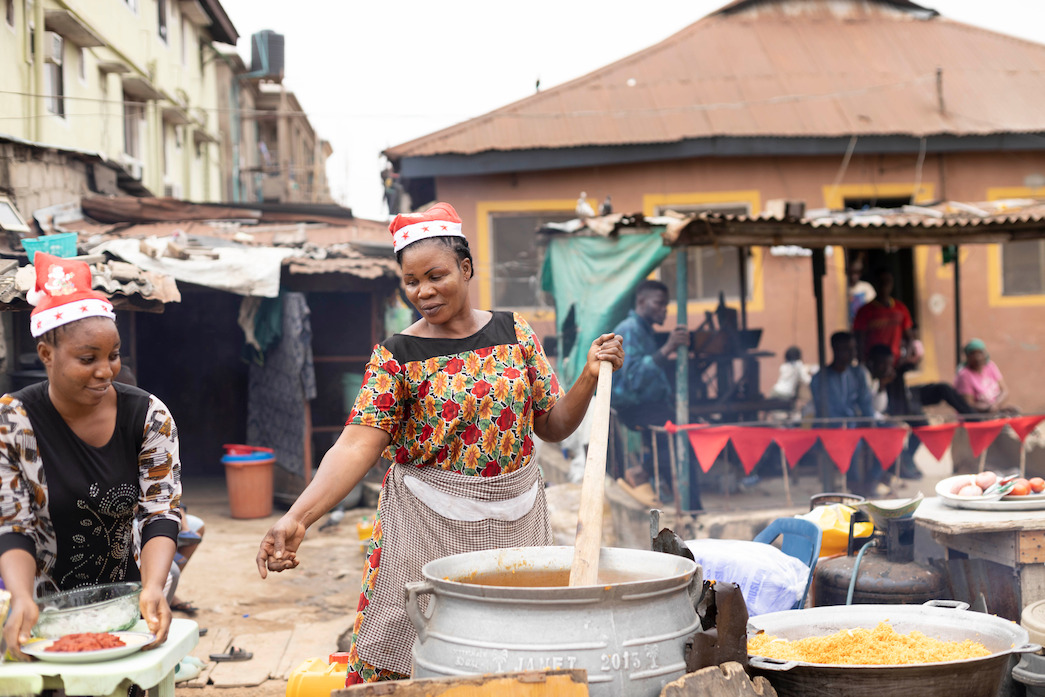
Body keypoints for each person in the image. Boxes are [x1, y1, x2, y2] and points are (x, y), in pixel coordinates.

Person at [255, 203, 624, 684]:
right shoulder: (397, 356)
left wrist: (589, 376)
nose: (423, 292)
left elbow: (551, 425)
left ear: (465, 269)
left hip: (517, 520)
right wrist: (297, 517)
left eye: (436, 275)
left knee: (516, 652)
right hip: (425, 527)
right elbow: (354, 446)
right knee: (407, 644)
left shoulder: (514, 333)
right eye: (411, 282)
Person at [0, 253, 182, 659]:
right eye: (88, 359)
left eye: (113, 355)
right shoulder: (13, 421)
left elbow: (160, 512)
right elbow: (14, 524)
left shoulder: (148, 416)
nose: (106, 370)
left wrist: (153, 588)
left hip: (124, 607)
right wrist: (21, 597)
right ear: (46, 354)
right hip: (41, 613)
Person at [610, 280, 698, 508]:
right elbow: (635, 377)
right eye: (659, 303)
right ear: (641, 301)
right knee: (680, 442)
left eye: (665, 305)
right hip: (637, 408)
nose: (664, 310)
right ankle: (690, 509)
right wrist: (668, 348)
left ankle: (645, 472)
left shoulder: (644, 330)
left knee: (682, 436)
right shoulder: (629, 329)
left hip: (650, 407)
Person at [866, 343, 975, 480]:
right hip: (895, 407)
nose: (888, 368)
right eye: (884, 365)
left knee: (942, 388)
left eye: (890, 365)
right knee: (919, 424)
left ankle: (972, 416)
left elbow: (910, 363)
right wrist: (883, 384)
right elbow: (879, 408)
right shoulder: (870, 379)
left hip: (909, 395)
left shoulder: (895, 368)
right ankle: (905, 461)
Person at [809, 332, 884, 495]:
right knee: (853, 443)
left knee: (890, 434)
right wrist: (852, 425)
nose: (852, 354)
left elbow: (865, 403)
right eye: (848, 350)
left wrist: (872, 424)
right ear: (836, 350)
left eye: (853, 349)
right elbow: (828, 412)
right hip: (833, 430)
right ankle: (854, 485)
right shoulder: (820, 379)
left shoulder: (858, 374)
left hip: (857, 425)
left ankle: (872, 480)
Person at [853, 267, 913, 365]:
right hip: (873, 364)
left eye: (888, 281)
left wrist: (904, 358)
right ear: (876, 284)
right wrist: (862, 363)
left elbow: (909, 338)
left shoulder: (901, 309)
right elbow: (859, 340)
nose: (885, 285)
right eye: (881, 281)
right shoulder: (864, 311)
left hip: (895, 364)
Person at [955, 338, 1015, 414]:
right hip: (976, 416)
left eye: (980, 353)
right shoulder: (964, 375)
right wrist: (990, 408)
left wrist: (997, 406)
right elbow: (969, 404)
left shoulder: (990, 366)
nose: (977, 357)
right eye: (973, 354)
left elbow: (1004, 391)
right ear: (967, 357)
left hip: (992, 411)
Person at [847, 255, 876, 326]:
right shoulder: (842, 288)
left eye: (857, 272)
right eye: (851, 272)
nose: (853, 275)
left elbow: (872, 311)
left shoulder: (866, 288)